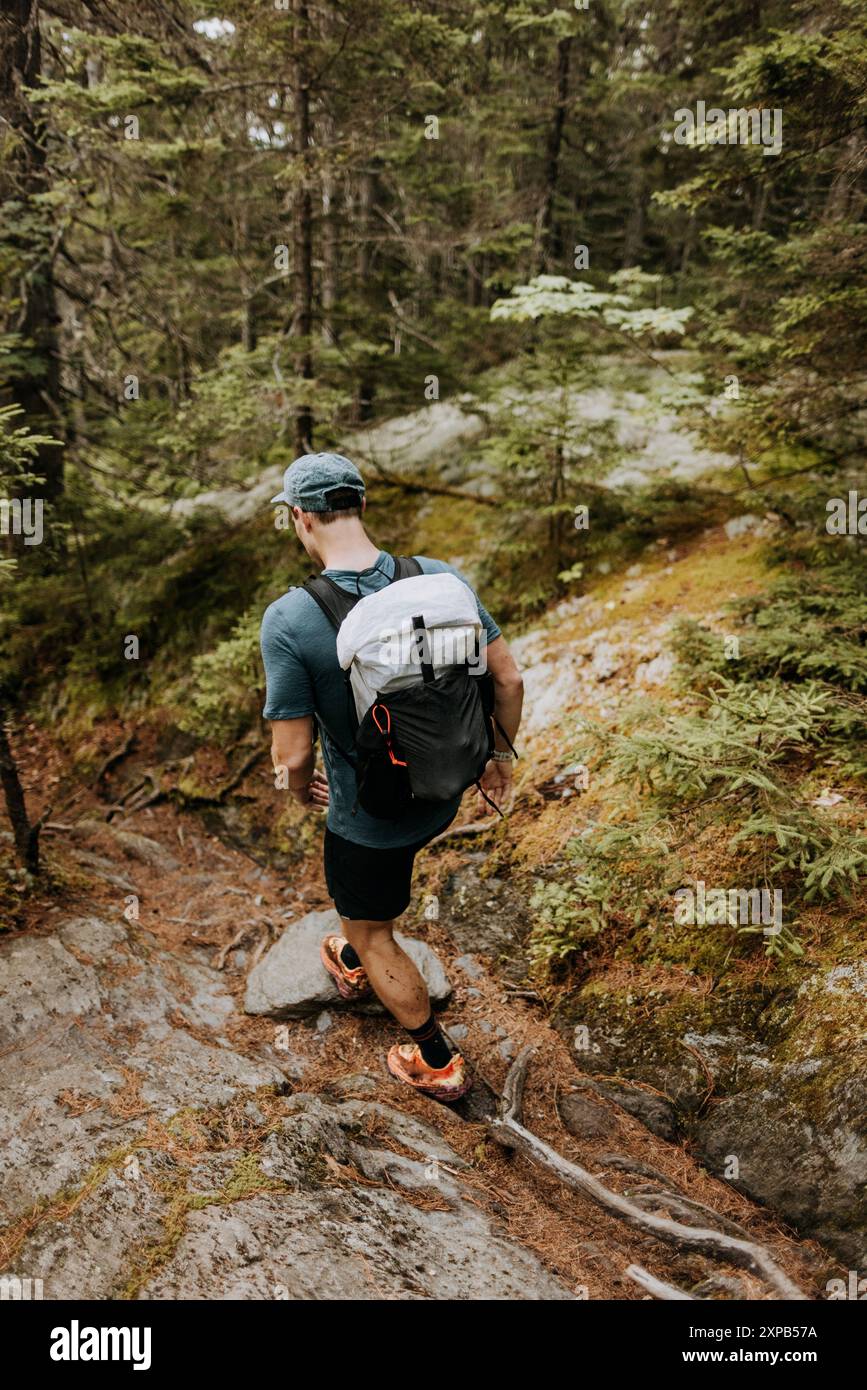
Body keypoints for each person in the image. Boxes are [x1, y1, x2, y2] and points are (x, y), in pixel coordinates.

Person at [260, 452, 523, 1100]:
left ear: (300, 519)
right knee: (375, 896)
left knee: (373, 928)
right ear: (361, 506)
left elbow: (293, 756)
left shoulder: (292, 618)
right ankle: (355, 948)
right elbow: (508, 679)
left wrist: (299, 791)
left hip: (367, 816)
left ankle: (434, 1057)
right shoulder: (437, 578)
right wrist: (498, 759)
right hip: (444, 790)